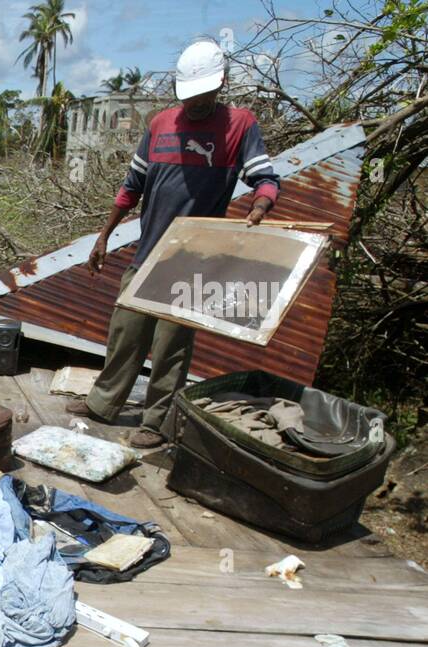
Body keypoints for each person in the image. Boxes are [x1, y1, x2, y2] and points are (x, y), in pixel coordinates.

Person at [68, 38, 282, 448]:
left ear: (220, 85)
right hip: (147, 253)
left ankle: (156, 420)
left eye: (203, 96)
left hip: (194, 261)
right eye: (189, 96)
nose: (195, 104)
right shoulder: (160, 124)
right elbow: (131, 186)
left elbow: (266, 178)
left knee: (171, 347)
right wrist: (104, 235)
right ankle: (102, 404)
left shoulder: (239, 125)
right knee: (125, 333)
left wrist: (261, 205)